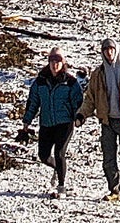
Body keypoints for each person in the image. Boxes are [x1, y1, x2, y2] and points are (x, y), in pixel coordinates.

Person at [78, 38, 120, 201]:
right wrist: (82, 115)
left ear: (116, 50)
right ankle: (114, 190)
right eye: (106, 50)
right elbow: (90, 99)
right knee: (108, 158)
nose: (109, 52)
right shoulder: (98, 74)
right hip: (106, 121)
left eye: (111, 49)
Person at [20, 47, 84, 196]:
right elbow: (33, 102)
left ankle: (61, 187)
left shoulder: (71, 82)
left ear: (63, 62)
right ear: (48, 62)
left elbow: (78, 102)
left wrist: (79, 117)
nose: (55, 64)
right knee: (43, 155)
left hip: (65, 123)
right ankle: (56, 167)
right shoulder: (40, 82)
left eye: (58, 61)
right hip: (46, 123)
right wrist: (26, 121)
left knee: (59, 152)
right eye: (52, 61)